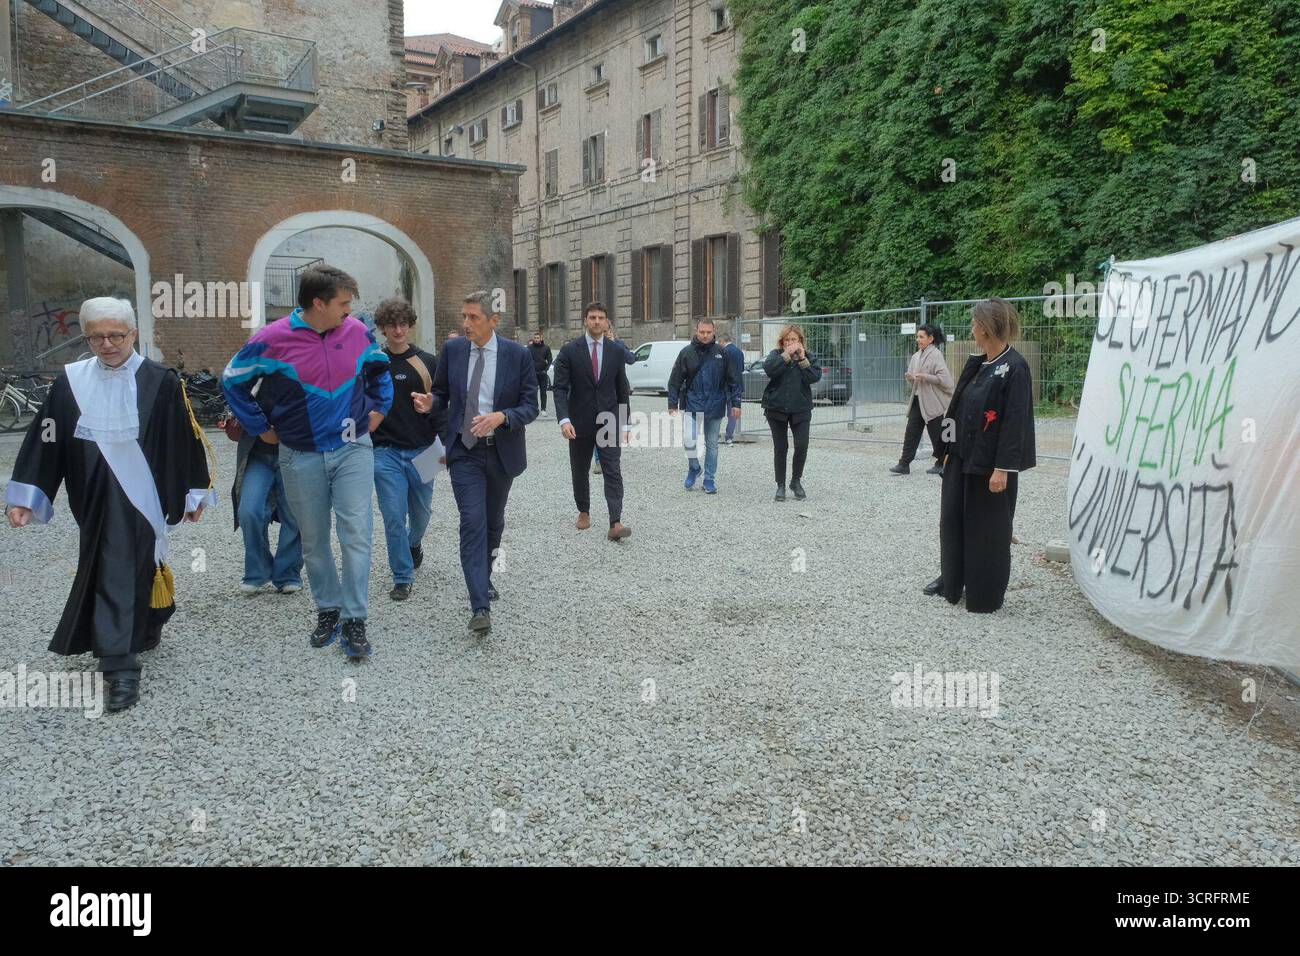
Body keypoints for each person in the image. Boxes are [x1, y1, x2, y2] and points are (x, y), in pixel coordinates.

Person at [5, 297, 215, 712]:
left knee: (119, 559)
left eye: (115, 335)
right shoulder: (69, 383)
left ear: (133, 333)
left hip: (144, 491)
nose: (106, 344)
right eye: (95, 337)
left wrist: (193, 491)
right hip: (90, 489)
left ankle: (119, 664)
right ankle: (149, 618)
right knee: (122, 559)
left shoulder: (161, 381)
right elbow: (46, 439)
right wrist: (29, 494)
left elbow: (182, 440)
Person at [223, 266, 392, 659]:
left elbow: (379, 369)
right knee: (314, 541)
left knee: (357, 535)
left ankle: (355, 618)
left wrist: (380, 410)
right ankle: (328, 609)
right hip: (300, 455)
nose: (350, 311)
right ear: (318, 303)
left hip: (353, 448)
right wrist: (260, 426)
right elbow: (233, 380)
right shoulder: (272, 338)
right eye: (344, 303)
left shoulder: (358, 331)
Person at [413, 291, 539, 634]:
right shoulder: (453, 350)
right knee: (472, 520)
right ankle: (479, 604)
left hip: (501, 451)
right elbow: (442, 394)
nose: (465, 324)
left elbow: (531, 405)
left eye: (473, 318)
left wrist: (501, 416)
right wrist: (430, 402)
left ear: (493, 321)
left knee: (494, 521)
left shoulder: (517, 355)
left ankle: (487, 576)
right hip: (464, 450)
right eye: (464, 316)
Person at [925, 297, 1036, 612]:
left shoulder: (1015, 367)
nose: (972, 328)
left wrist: (1004, 468)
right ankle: (951, 579)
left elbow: (1016, 423)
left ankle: (984, 593)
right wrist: (945, 450)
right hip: (960, 459)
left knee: (986, 529)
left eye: (975, 323)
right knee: (952, 521)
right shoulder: (976, 364)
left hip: (990, 467)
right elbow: (955, 407)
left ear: (987, 327)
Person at [371, 297, 444, 602]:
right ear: (383, 328)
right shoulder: (374, 363)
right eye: (392, 325)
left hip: (426, 450)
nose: (398, 330)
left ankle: (414, 544)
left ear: (410, 325)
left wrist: (433, 411)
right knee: (392, 516)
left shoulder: (429, 362)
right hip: (385, 452)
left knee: (423, 513)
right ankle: (402, 576)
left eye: (403, 324)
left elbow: (444, 404)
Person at [553, 302, 635, 541]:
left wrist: (625, 422)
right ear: (585, 321)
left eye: (601, 317)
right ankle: (584, 511)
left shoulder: (616, 351)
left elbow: (622, 389)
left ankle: (615, 521)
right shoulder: (570, 351)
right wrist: (564, 419)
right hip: (579, 421)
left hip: (609, 419)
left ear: (607, 322)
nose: (597, 321)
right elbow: (559, 388)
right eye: (592, 317)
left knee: (613, 469)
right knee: (580, 469)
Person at [230, 393, 303, 596]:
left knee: (294, 515)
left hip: (294, 452)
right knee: (248, 511)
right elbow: (231, 387)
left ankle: (288, 574)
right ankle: (257, 571)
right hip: (257, 454)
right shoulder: (250, 367)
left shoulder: (298, 365)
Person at [668, 318, 742, 494]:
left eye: (708, 332)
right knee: (689, 440)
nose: (705, 335)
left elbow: (734, 379)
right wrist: (672, 402)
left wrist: (736, 402)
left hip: (716, 404)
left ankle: (709, 479)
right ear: (696, 331)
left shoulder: (722, 353)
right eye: (702, 332)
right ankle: (694, 467)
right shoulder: (686, 352)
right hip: (693, 402)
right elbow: (675, 379)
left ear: (714, 331)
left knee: (712, 444)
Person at [762, 324, 822, 501]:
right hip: (776, 408)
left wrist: (802, 359)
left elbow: (814, 377)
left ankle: (796, 481)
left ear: (800, 341)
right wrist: (786, 355)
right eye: (787, 340)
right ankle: (780, 485)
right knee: (781, 448)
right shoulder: (775, 355)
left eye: (793, 339)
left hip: (801, 408)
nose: (790, 343)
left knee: (801, 445)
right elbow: (770, 370)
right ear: (782, 342)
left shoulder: (808, 357)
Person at [891, 323, 955, 476]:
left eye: (921, 337)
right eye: (917, 337)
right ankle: (904, 464)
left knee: (938, 434)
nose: (918, 339)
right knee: (911, 432)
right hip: (917, 400)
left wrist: (925, 376)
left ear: (931, 339)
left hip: (932, 402)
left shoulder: (936, 355)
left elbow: (945, 380)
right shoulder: (916, 356)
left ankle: (943, 464)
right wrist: (911, 378)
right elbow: (915, 381)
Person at [721, 334, 746, 444]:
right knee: (733, 413)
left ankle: (713, 433)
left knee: (717, 411)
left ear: (722, 341)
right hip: (737, 385)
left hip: (724, 385)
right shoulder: (739, 352)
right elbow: (742, 368)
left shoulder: (723, 351)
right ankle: (729, 436)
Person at [527, 330, 553, 418]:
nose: (536, 339)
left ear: (541, 338)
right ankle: (534, 409)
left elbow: (550, 360)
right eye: (535, 338)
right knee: (532, 392)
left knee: (543, 392)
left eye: (538, 338)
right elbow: (527, 360)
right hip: (533, 374)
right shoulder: (529, 348)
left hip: (542, 373)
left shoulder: (546, 348)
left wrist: (546, 370)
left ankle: (543, 409)